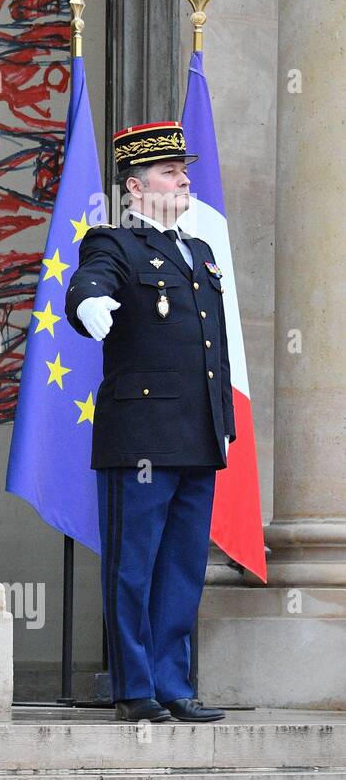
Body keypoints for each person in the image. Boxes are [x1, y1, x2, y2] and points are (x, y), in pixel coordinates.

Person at [65, 120, 232, 723]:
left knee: (184, 568)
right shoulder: (114, 242)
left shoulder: (202, 252)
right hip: (140, 437)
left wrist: (223, 422)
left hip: (197, 432)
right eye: (169, 170)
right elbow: (90, 280)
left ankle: (173, 685)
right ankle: (136, 689)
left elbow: (214, 349)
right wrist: (87, 304)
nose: (184, 177)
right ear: (134, 187)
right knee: (133, 566)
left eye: (183, 168)